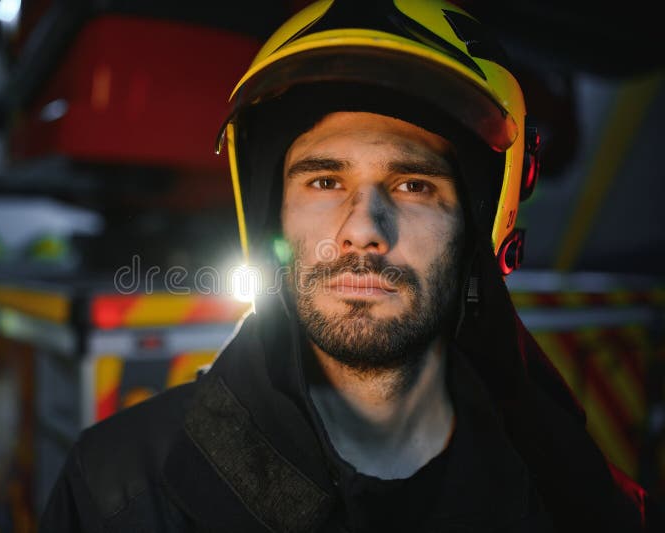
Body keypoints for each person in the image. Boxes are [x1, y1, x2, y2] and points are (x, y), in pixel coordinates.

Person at [40, 1, 661, 531]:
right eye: (324, 181)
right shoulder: (114, 491)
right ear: (270, 217)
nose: (363, 229)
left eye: (414, 185)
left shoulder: (576, 501)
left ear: (480, 226)